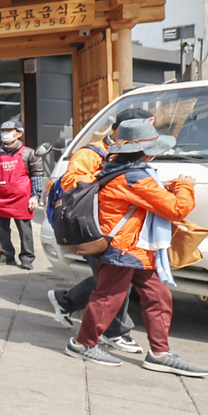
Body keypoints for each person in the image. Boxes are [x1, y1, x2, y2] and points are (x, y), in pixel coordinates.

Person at [67, 119, 204, 376]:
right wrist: (185, 185)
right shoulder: (133, 177)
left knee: (157, 297)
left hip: (136, 248)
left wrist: (167, 187)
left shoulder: (120, 170)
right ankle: (84, 344)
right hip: (125, 248)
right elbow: (177, 208)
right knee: (109, 298)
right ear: (146, 150)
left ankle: (160, 352)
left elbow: (148, 197)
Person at [47, 107, 155, 358]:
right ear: (120, 131)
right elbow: (72, 182)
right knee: (112, 283)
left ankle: (68, 302)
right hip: (94, 228)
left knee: (111, 281)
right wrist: (112, 178)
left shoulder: (129, 152)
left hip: (118, 228)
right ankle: (111, 333)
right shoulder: (91, 153)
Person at [0, 119, 45, 269]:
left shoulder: (29, 153)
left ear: (19, 134)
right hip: (0, 197)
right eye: (3, 132)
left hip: (21, 198)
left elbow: (36, 175)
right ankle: (6, 256)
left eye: (9, 131)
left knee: (25, 230)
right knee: (1, 229)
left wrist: (35, 196)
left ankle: (27, 258)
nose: (5, 135)